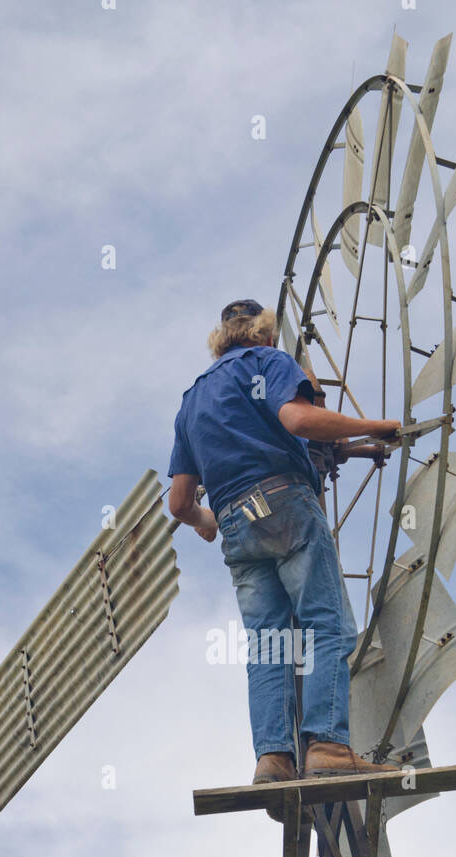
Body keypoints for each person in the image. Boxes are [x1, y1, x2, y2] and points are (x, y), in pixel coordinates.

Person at [168, 298, 402, 790]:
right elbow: (298, 421)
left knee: (269, 644)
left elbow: (180, 502)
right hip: (285, 504)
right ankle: (328, 746)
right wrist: (372, 427)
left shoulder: (191, 402)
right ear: (264, 334)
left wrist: (206, 521)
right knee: (326, 623)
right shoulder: (268, 361)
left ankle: (273, 758)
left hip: (236, 524)